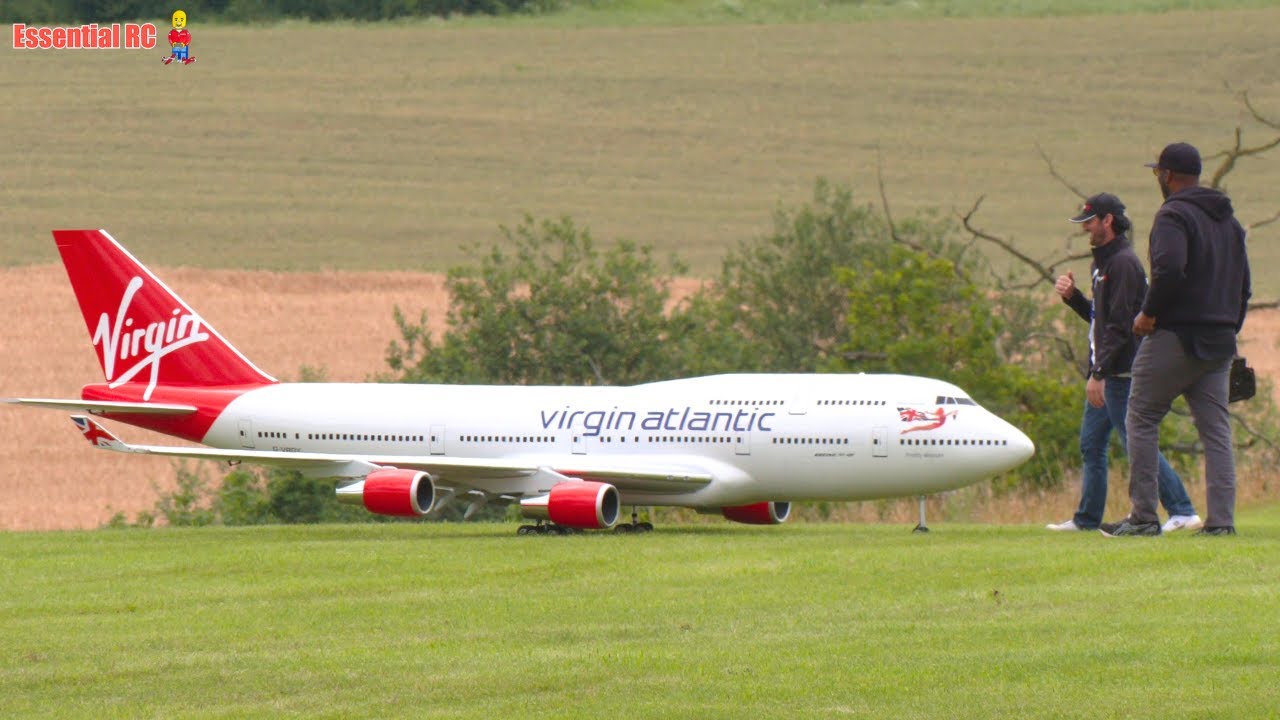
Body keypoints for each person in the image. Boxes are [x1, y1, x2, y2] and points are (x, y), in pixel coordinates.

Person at [1101, 143, 1251, 537]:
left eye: (1158, 174)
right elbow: (1245, 287)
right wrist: (1230, 327)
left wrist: (1148, 313)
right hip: (1219, 341)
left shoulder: (1173, 214)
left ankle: (1144, 516)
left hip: (1176, 335)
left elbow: (1169, 269)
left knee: (1142, 417)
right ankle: (1221, 522)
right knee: (1216, 431)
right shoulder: (1230, 223)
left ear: (1167, 176)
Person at [1045, 192, 1200, 533]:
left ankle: (1183, 510)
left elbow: (1119, 327)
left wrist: (1098, 373)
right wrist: (1073, 299)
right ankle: (1087, 520)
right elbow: (1101, 318)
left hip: (1121, 371)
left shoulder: (1123, 264)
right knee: (1092, 445)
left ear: (1108, 221)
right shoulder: (1102, 264)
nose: (1085, 229)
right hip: (1105, 369)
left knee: (1136, 443)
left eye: (1090, 222)